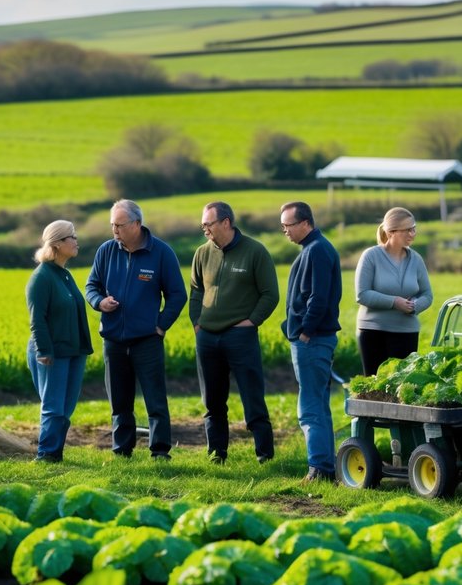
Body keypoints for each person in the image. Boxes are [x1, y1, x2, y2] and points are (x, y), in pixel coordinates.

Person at [84, 199, 187, 460]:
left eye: (120, 225)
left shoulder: (161, 252)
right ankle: (122, 449)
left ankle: (160, 451)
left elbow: (177, 295)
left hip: (147, 340)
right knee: (119, 401)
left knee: (155, 399)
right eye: (112, 225)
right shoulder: (106, 251)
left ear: (137, 224)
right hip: (114, 340)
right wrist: (99, 302)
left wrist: (161, 326)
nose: (114, 230)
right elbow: (91, 286)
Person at [190, 201, 280, 464]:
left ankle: (265, 455)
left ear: (226, 223)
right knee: (212, 401)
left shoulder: (255, 251)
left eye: (209, 224)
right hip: (207, 337)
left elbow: (270, 294)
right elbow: (196, 291)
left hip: (240, 336)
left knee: (252, 397)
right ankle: (216, 453)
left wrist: (252, 321)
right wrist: (197, 322)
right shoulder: (201, 253)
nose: (204, 229)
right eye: (203, 224)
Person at [280, 201, 342, 483]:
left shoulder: (317, 250)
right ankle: (326, 467)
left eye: (288, 226)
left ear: (305, 223)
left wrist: (305, 329)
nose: (285, 232)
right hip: (313, 338)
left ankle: (318, 469)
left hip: (313, 340)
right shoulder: (314, 248)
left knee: (310, 407)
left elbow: (319, 296)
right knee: (318, 402)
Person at [27, 220, 93, 462]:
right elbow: (37, 320)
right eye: (71, 237)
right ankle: (46, 454)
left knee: (66, 408)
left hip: (74, 350)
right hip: (51, 351)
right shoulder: (42, 277)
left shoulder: (64, 274)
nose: (76, 241)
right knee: (53, 406)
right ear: (56, 244)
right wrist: (44, 351)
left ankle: (56, 453)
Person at [355, 207, 433, 375]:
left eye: (414, 228)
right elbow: (362, 294)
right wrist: (395, 302)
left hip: (407, 332)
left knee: (401, 389)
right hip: (373, 332)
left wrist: (415, 305)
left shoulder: (417, 260)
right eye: (407, 230)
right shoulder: (370, 256)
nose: (413, 233)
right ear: (391, 232)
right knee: (375, 389)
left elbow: (427, 294)